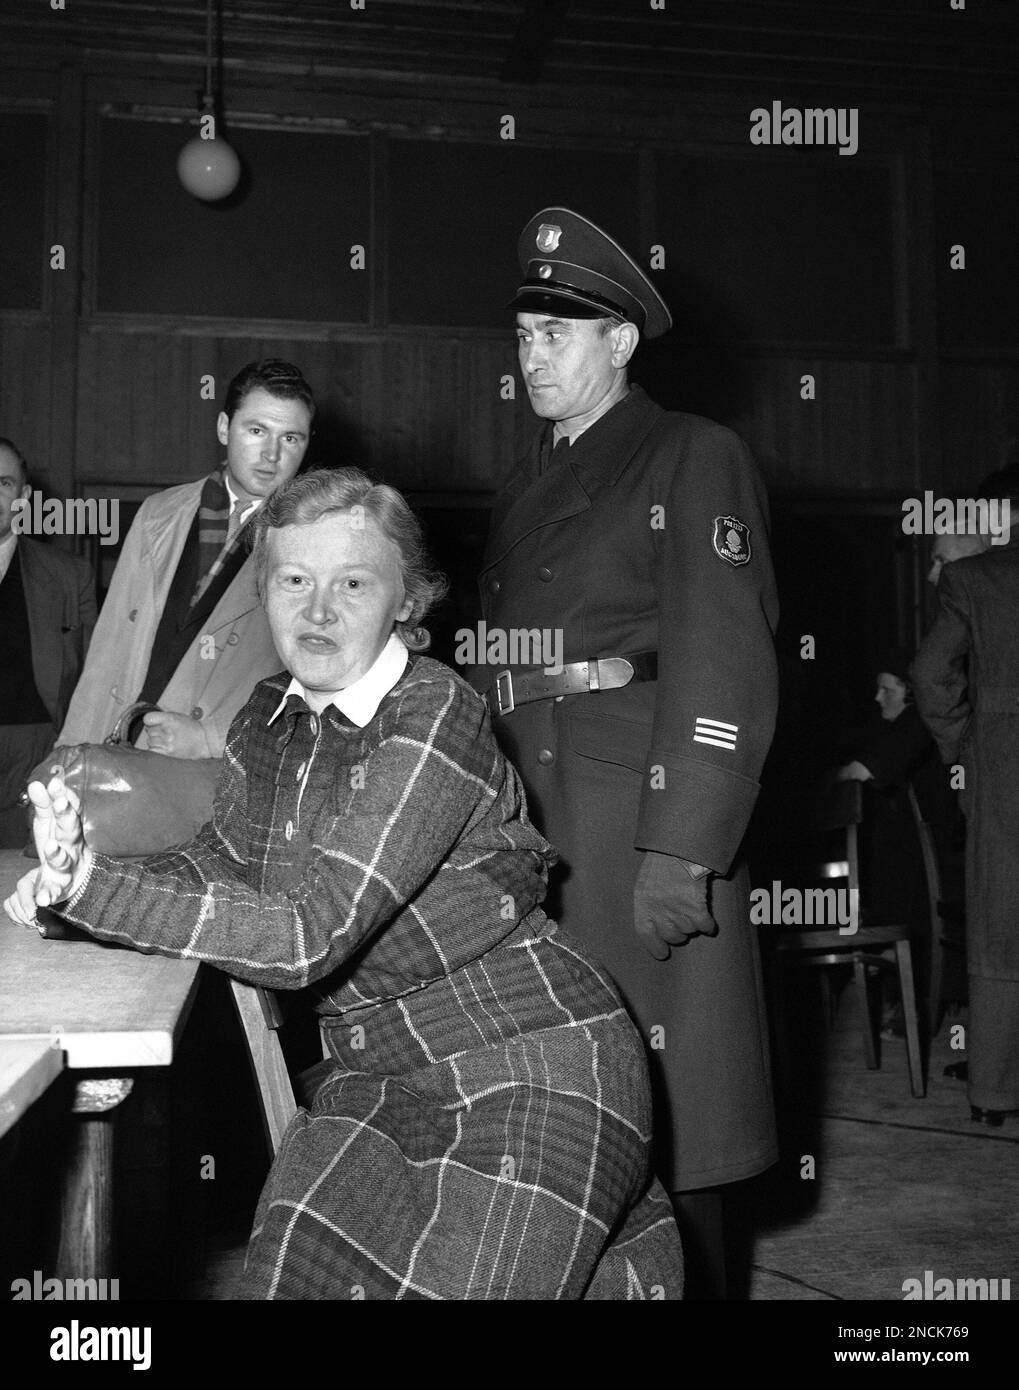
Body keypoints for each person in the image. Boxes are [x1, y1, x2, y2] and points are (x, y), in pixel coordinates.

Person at [5, 467, 684, 1300]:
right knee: (293, 1273)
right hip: (378, 1078)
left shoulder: (435, 713)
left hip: (533, 1057)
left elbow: (306, 935)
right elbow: (218, 862)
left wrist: (98, 899)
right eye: (292, 580)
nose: (317, 610)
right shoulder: (264, 716)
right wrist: (78, 875)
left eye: (352, 582)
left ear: (408, 599)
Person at [472, 207, 779, 1296]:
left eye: (560, 330)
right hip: (531, 825)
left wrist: (683, 845)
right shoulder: (519, 484)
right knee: (567, 1107)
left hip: (631, 822)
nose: (534, 353)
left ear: (620, 343)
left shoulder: (689, 452)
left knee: (677, 1109)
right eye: (523, 332)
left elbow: (725, 657)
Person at [56, 359, 314, 759]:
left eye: (291, 438)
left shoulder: (313, 541)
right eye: (257, 430)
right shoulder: (159, 512)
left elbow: (317, 686)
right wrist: (69, 754)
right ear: (225, 428)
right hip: (122, 741)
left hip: (215, 762)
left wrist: (211, 738)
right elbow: (109, 649)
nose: (271, 454)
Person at [911, 472, 1019, 1127]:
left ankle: (996, 1089)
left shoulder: (976, 579)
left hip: (1003, 766)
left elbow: (930, 673)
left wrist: (966, 747)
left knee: (1001, 921)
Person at [0, 438, 96, 846]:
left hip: (38, 753)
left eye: (3, 483)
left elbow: (96, 676)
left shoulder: (70, 577)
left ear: (23, 497)